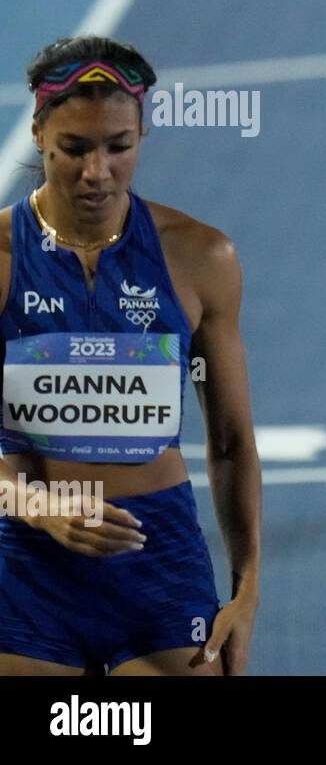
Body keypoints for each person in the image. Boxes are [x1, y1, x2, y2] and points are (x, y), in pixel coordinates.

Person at [0, 35, 261, 675]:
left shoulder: (200, 257)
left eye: (120, 147)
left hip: (158, 559)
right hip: (29, 563)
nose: (98, 172)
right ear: (38, 133)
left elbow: (231, 443)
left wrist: (247, 591)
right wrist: (41, 506)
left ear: (142, 134)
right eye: (75, 149)